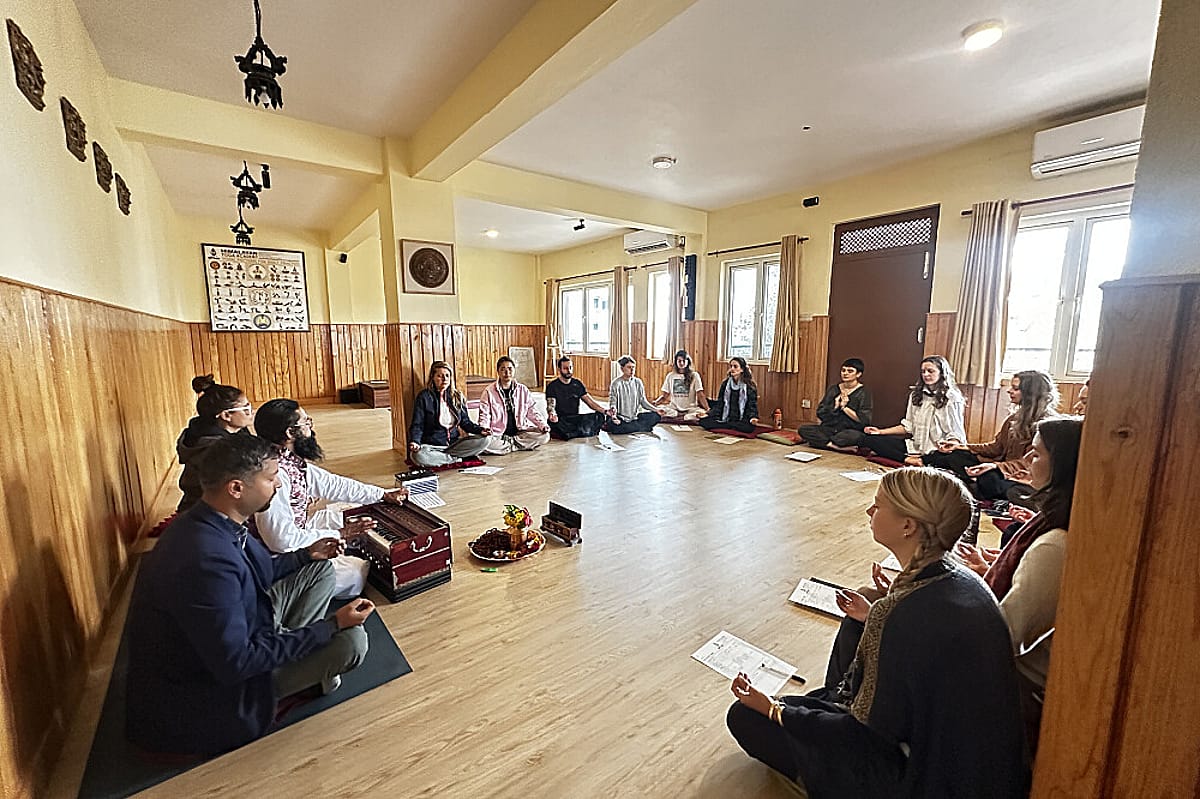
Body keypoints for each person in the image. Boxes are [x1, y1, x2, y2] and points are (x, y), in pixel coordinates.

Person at [726, 468, 1027, 798]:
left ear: (908, 525)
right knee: (860, 615)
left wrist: (774, 710)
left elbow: (865, 733)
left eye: (878, 505)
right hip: (975, 762)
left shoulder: (902, 611)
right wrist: (872, 615)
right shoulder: (963, 579)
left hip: (925, 777)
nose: (870, 511)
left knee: (744, 716)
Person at [125, 435, 373, 756]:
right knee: (353, 642)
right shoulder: (206, 558)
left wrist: (304, 556)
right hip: (215, 693)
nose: (279, 486)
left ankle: (295, 651)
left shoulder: (215, 521)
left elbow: (261, 574)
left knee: (320, 570)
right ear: (237, 488)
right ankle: (301, 670)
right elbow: (236, 662)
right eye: (271, 479)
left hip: (245, 630)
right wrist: (330, 626)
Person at [955, 417, 1083, 752]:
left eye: (1037, 455)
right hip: (1008, 657)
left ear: (1065, 466)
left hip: (1015, 681)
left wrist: (968, 582)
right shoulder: (1054, 519)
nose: (1028, 460)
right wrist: (990, 567)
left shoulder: (1054, 544)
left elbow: (1004, 634)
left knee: (887, 615)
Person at [253, 399, 408, 598]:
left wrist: (382, 493)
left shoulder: (286, 458)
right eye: (306, 424)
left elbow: (332, 484)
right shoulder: (274, 474)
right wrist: (340, 534)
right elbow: (281, 541)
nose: (310, 429)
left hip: (299, 529)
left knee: (352, 506)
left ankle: (346, 546)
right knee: (355, 572)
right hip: (281, 560)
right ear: (290, 433)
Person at [922, 370, 1058, 500]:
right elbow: (995, 448)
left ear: (1030, 393)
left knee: (989, 479)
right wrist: (961, 446)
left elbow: (1029, 464)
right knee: (954, 455)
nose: (1009, 391)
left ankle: (976, 485)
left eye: (1015, 388)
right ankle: (973, 483)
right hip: (999, 466)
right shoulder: (1013, 418)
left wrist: (996, 466)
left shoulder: (1046, 424)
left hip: (1021, 475)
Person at [861, 355, 966, 465]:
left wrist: (949, 444)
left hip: (937, 449)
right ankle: (907, 459)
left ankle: (920, 460)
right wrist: (880, 432)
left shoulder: (952, 398)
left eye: (930, 371)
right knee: (870, 440)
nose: (926, 375)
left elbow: (956, 432)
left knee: (953, 459)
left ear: (941, 373)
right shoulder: (916, 395)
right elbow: (908, 426)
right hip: (914, 447)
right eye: (923, 371)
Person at [176, 375, 255, 512]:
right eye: (245, 409)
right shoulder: (215, 447)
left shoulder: (235, 431)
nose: (251, 412)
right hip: (203, 511)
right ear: (226, 416)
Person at [408, 360, 489, 467]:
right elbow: (417, 424)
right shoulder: (424, 397)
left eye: (447, 376)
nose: (444, 379)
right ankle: (456, 459)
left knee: (486, 440)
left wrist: (481, 430)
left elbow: (466, 423)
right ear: (433, 378)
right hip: (432, 446)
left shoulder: (457, 396)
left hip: (454, 444)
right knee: (417, 456)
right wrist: (415, 441)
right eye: (439, 376)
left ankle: (445, 458)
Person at [478, 356, 551, 454]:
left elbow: (532, 411)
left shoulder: (523, 390)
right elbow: (484, 415)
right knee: (483, 443)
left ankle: (508, 446)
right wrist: (484, 429)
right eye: (503, 369)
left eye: (510, 369)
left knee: (545, 436)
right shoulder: (489, 392)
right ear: (498, 372)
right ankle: (516, 445)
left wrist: (542, 425)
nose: (507, 372)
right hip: (498, 434)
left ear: (514, 370)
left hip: (520, 432)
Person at [798, 358, 873, 451]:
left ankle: (824, 442)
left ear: (858, 374)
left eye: (850, 371)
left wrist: (844, 408)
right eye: (843, 370)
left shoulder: (864, 393)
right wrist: (835, 406)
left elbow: (864, 420)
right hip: (829, 428)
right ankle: (835, 446)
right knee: (803, 429)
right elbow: (820, 413)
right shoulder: (833, 389)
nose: (845, 373)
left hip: (849, 431)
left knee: (854, 436)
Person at [545, 355, 608, 439]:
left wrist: (605, 411)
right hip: (561, 420)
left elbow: (590, 402)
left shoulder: (577, 384)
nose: (569, 371)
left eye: (570, 367)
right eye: (565, 368)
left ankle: (574, 433)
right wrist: (552, 414)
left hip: (575, 419)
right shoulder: (552, 386)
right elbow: (551, 405)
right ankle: (579, 432)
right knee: (555, 426)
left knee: (599, 416)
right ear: (559, 369)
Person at [700, 357, 760, 433]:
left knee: (748, 428)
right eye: (731, 366)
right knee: (703, 422)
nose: (732, 369)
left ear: (742, 369)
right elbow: (720, 403)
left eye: (735, 366)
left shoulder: (749, 386)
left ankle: (729, 425)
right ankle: (730, 425)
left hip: (741, 419)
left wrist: (753, 417)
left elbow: (752, 405)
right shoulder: (725, 384)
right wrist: (708, 414)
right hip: (727, 417)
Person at [604, 355, 661, 433]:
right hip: (621, 418)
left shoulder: (638, 382)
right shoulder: (616, 383)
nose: (632, 370)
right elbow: (613, 403)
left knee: (656, 416)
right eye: (629, 367)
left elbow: (643, 402)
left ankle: (634, 427)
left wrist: (656, 410)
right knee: (614, 426)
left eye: (633, 367)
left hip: (635, 418)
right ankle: (640, 427)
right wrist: (614, 416)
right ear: (622, 368)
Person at [652, 350, 709, 421]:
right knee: (659, 410)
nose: (681, 363)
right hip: (674, 409)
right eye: (679, 361)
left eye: (684, 361)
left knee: (702, 413)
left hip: (690, 409)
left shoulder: (695, 375)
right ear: (676, 362)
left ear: (688, 362)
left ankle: (682, 417)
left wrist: (707, 409)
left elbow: (700, 394)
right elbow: (665, 396)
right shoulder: (670, 376)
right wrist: (656, 403)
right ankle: (682, 416)